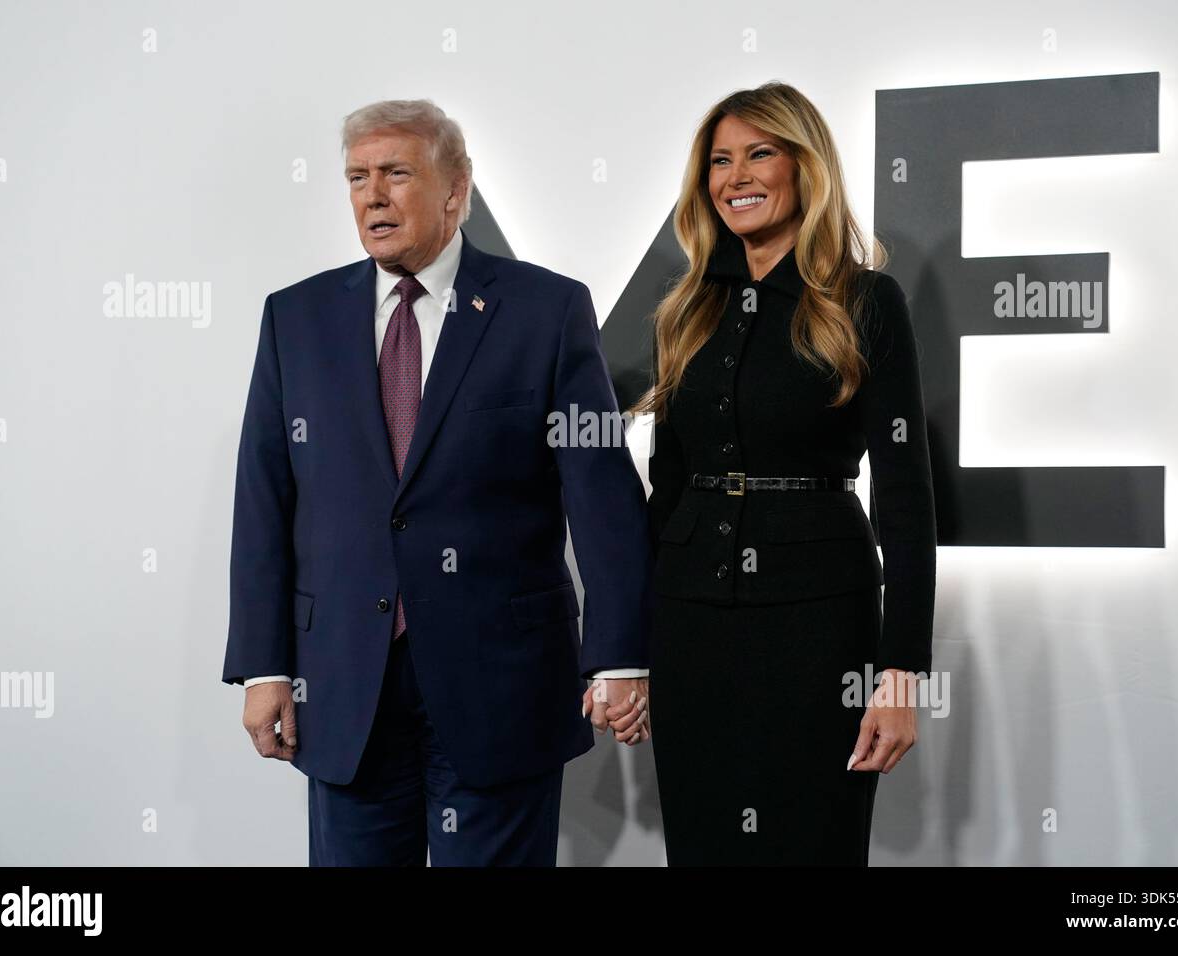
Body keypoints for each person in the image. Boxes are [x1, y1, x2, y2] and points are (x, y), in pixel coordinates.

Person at [222, 98, 651, 866]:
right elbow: (264, 500)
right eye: (357, 177)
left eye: (396, 174)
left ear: (456, 190)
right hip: (345, 687)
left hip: (502, 684)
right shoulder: (297, 317)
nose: (372, 195)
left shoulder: (546, 310)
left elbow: (602, 494)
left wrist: (618, 655)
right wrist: (264, 664)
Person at [632, 81, 937, 865]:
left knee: (814, 846)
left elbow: (904, 501)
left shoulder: (866, 301)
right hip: (691, 623)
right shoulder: (686, 309)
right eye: (720, 160)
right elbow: (665, 494)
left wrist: (900, 675)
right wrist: (628, 648)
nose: (736, 175)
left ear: (806, 167)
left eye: (759, 153)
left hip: (818, 631)